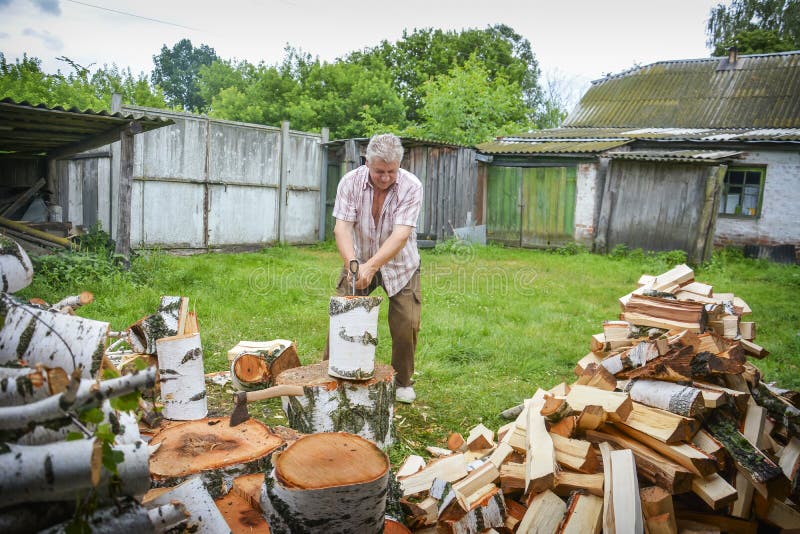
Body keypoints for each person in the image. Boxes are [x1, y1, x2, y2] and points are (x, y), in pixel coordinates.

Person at [324, 133, 423, 403]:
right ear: (367, 162)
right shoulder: (350, 182)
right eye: (379, 170)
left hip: (402, 265)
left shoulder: (411, 186)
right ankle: (332, 373)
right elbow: (342, 227)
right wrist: (354, 266)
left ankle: (402, 382)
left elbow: (401, 235)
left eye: (391, 171)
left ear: (399, 165)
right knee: (344, 314)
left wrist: (373, 265)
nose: (385, 177)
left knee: (407, 323)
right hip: (357, 258)